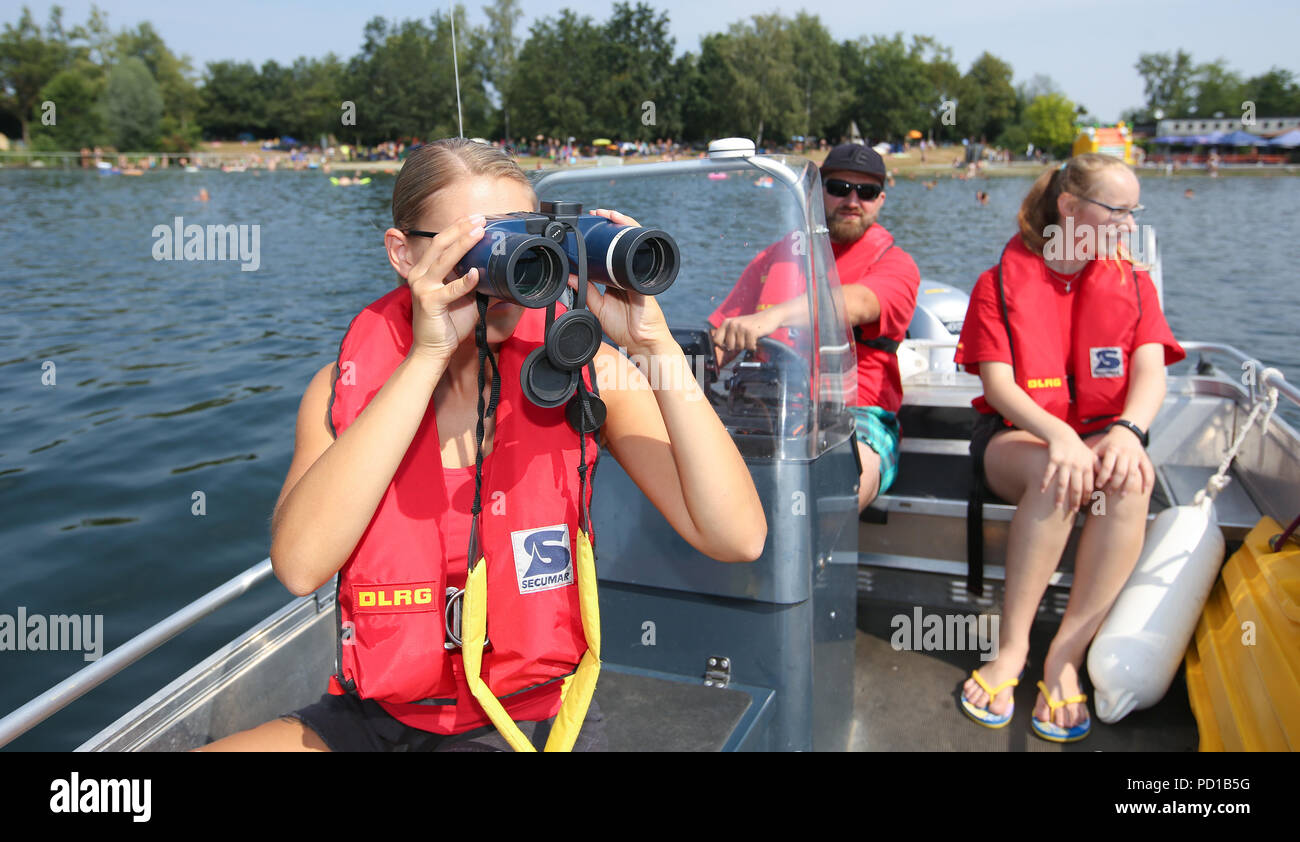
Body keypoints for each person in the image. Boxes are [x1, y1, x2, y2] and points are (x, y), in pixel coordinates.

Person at [199, 138, 766, 752]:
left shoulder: (586, 367)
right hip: (381, 713)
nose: (507, 271)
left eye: (522, 242)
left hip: (526, 721)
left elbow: (736, 536)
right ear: (402, 252)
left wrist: (654, 346)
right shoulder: (345, 387)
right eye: (475, 248)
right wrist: (427, 356)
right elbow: (301, 565)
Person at [953, 153, 1185, 742]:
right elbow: (999, 387)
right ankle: (1011, 651)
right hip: (1018, 438)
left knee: (1131, 482)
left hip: (1106, 432)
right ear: (1070, 208)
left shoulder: (1133, 283)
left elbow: (1151, 372)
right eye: (1118, 211)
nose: (1130, 225)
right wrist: (1059, 436)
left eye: (1135, 212)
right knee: (1060, 473)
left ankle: (1065, 657)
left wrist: (1129, 431)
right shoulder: (996, 284)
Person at [709, 143, 920, 511]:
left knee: (840, 485)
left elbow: (858, 303)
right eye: (839, 188)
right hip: (765, 408)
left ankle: (804, 557)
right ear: (817, 192)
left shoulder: (897, 264)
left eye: (866, 192)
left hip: (856, 413)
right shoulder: (774, 257)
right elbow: (719, 341)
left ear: (881, 199)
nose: (852, 200)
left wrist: (772, 316)